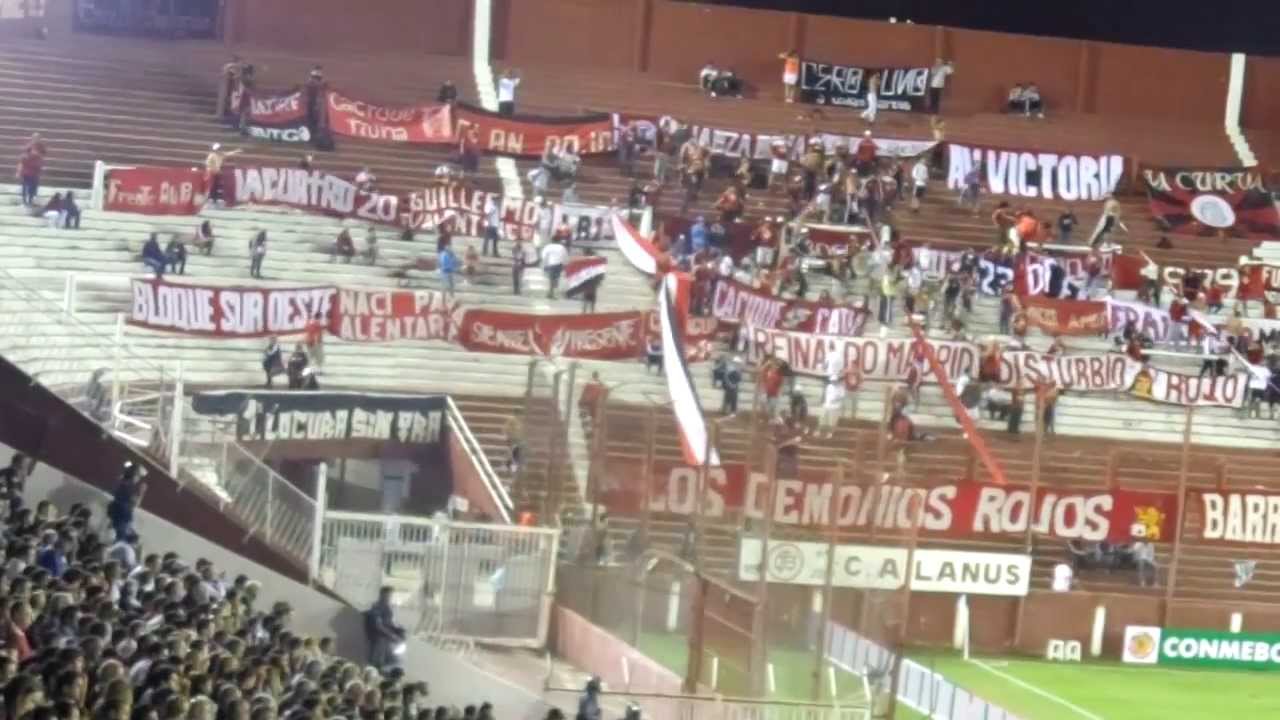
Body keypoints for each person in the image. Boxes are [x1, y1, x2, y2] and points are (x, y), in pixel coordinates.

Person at [365, 586, 405, 672]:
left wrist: (398, 629)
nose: (389, 598)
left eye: (390, 596)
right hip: (380, 637)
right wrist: (392, 636)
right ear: (382, 595)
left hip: (387, 639)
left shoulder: (388, 607)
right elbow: (378, 625)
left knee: (392, 660)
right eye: (388, 595)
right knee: (377, 663)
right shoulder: (377, 607)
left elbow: (390, 622)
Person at [106, 462, 146, 542]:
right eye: (138, 476)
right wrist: (142, 492)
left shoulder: (122, 482)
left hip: (116, 513)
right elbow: (136, 503)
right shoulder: (129, 486)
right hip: (123, 515)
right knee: (121, 539)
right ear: (135, 475)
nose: (138, 479)